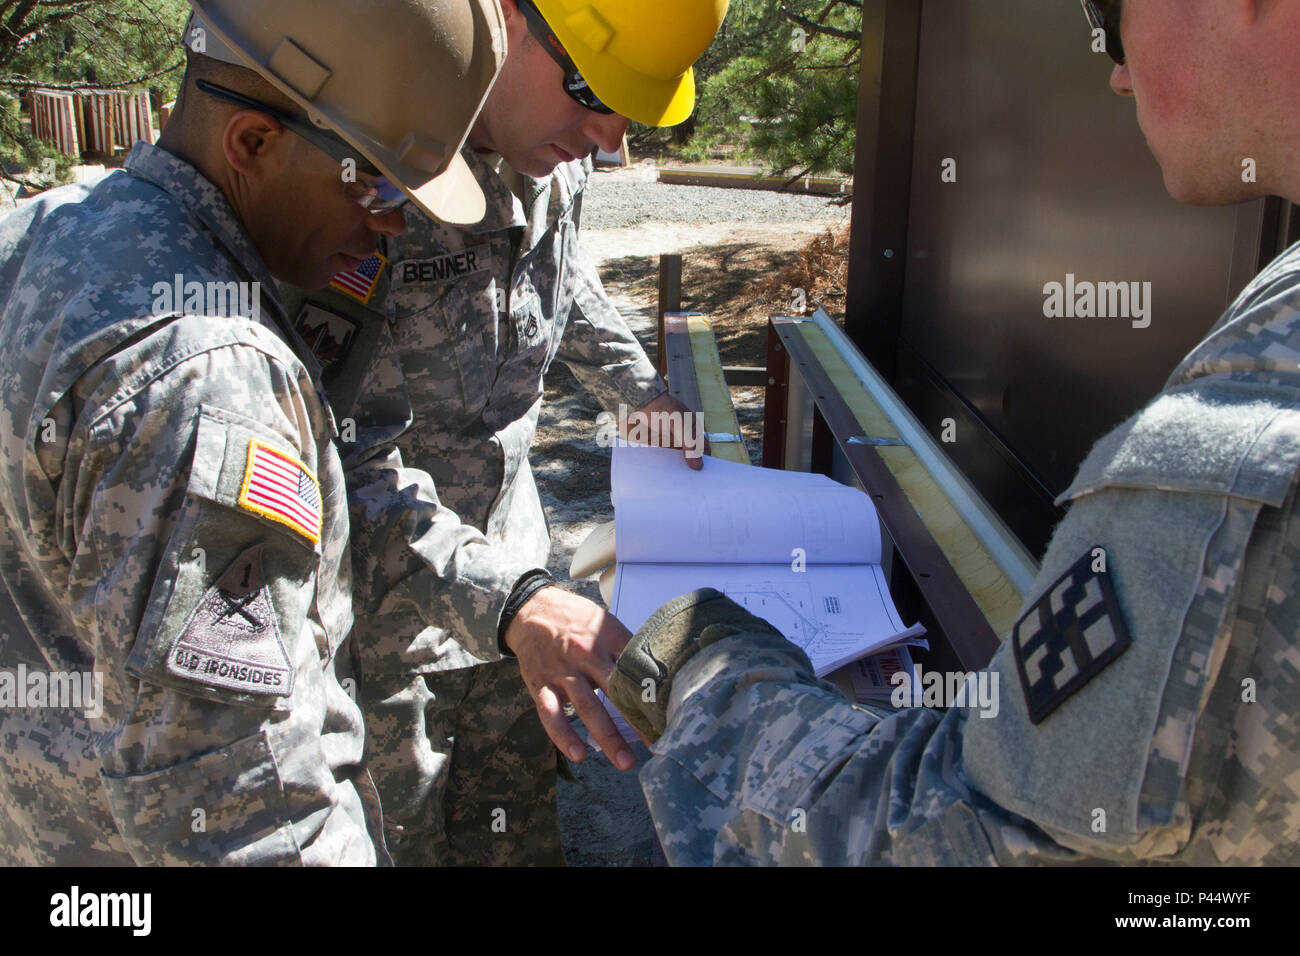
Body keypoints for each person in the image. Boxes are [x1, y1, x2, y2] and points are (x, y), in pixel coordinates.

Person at [616, 0, 1300, 865]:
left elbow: (976, 836)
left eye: (1109, 11)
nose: (1117, 68)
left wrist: (707, 664)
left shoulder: (1263, 411)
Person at [0, 0, 505, 865]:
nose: (390, 225)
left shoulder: (45, 236)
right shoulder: (210, 376)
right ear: (253, 144)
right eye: (375, 182)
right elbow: (246, 817)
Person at [285, 0, 730, 865]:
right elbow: (341, 460)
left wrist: (639, 394)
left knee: (513, 836)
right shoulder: (367, 165)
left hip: (519, 581)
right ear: (507, 22)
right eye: (592, 93)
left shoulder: (552, 150)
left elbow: (564, 281)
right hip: (383, 622)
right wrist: (515, 603)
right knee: (395, 841)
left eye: (626, 112)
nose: (605, 136)